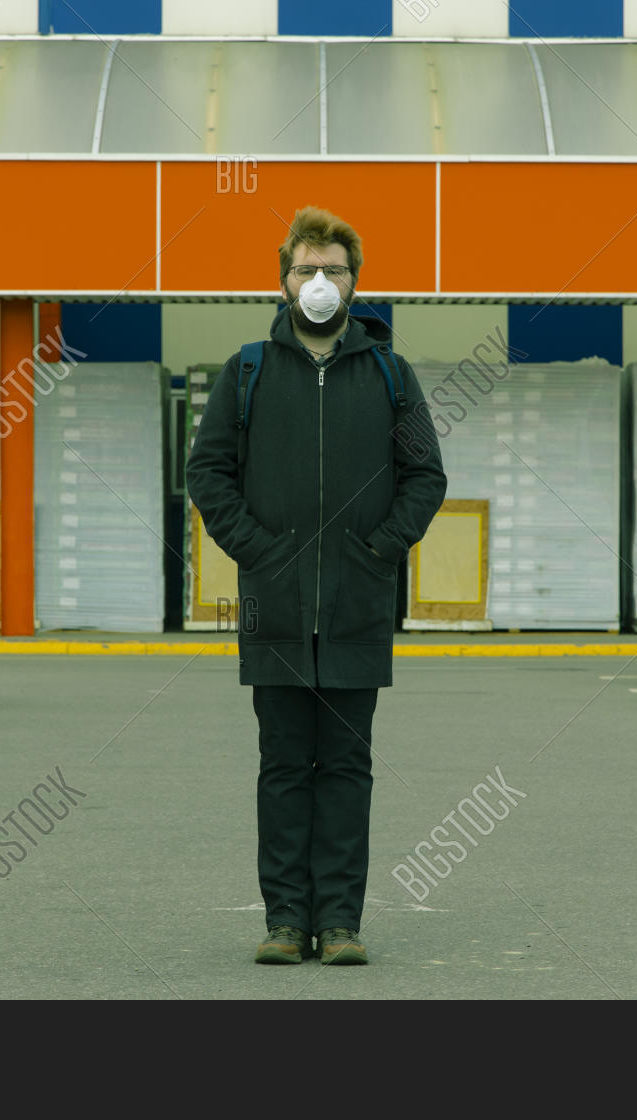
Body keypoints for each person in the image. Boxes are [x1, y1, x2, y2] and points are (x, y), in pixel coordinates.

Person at [185, 206, 447, 965]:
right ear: (283, 280)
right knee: (281, 766)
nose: (320, 282)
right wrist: (258, 553)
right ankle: (283, 922)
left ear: (354, 283)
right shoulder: (248, 371)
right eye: (307, 269)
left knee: (345, 767)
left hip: (358, 604)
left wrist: (379, 552)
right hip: (276, 600)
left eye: (334, 269)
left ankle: (339, 925)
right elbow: (208, 474)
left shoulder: (390, 374)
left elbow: (424, 476)